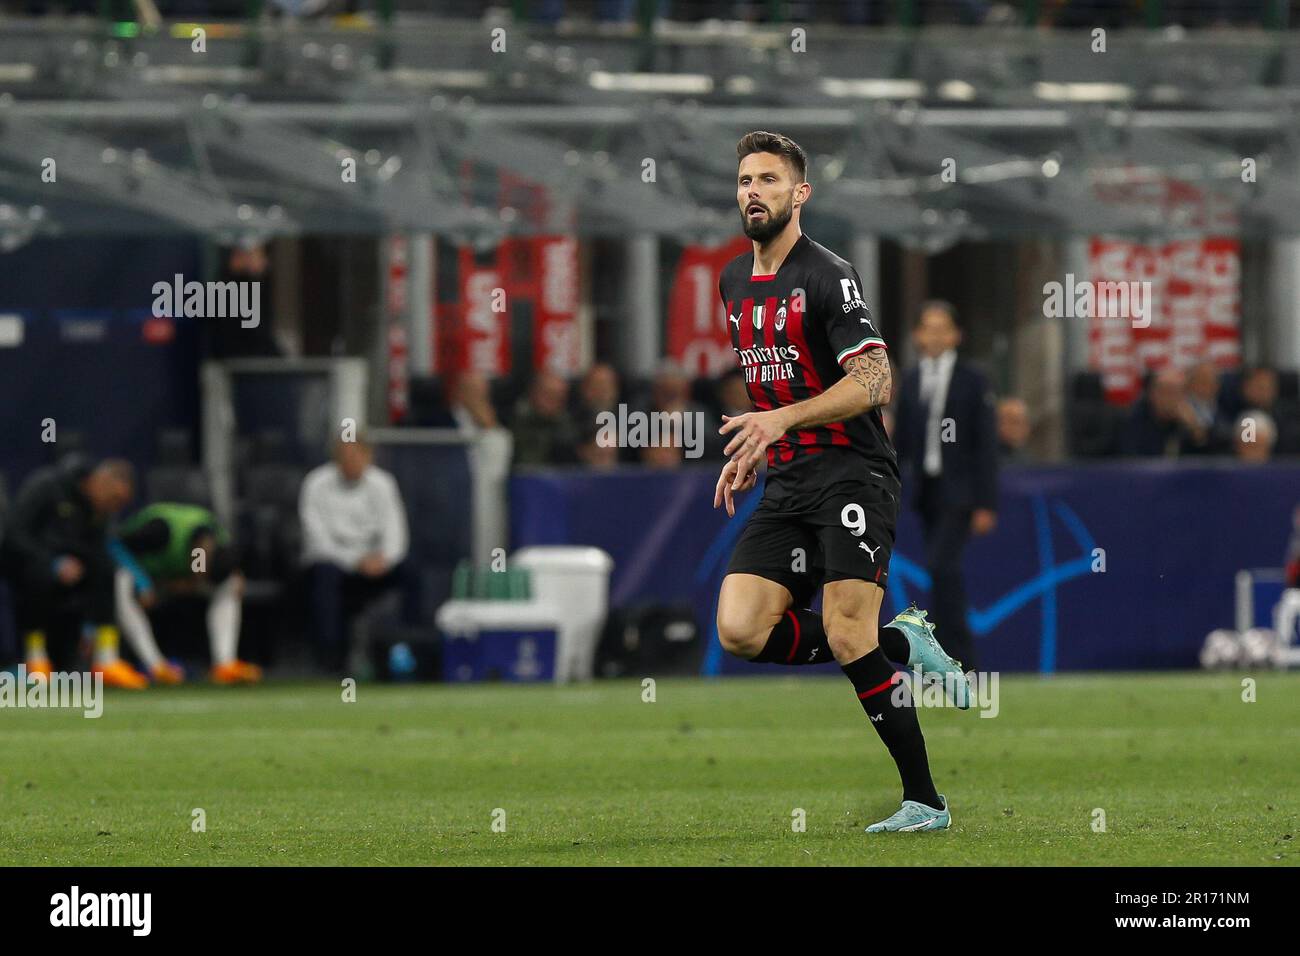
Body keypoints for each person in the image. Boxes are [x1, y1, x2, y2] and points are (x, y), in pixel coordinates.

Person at [712, 130, 972, 835]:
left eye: (768, 180)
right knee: (739, 628)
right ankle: (903, 644)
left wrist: (780, 421)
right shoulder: (734, 282)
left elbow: (875, 379)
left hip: (852, 475)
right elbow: (776, 390)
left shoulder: (829, 274)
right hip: (790, 478)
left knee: (846, 630)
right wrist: (761, 444)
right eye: (743, 180)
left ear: (799, 195)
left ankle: (926, 801)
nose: (752, 192)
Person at [892, 301, 999, 672]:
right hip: (927, 492)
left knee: (942, 568)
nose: (935, 336)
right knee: (941, 575)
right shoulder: (913, 379)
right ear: (917, 335)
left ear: (956, 335)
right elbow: (903, 441)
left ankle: (957, 657)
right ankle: (947, 659)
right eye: (928, 328)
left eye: (942, 328)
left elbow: (985, 444)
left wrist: (987, 502)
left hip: (960, 492)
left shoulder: (973, 380)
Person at [0, 457, 148, 688]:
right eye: (114, 500)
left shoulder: (98, 513)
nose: (113, 508)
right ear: (99, 482)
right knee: (37, 573)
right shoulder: (46, 486)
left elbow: (97, 553)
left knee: (109, 571)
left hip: (73, 578)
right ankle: (35, 657)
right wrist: (53, 563)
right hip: (30, 568)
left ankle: (106, 659)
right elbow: (14, 536)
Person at [109, 502, 262, 685]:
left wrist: (235, 574)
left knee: (232, 585)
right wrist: (143, 584)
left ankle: (225, 664)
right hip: (144, 577)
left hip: (175, 580)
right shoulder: (159, 532)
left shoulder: (218, 538)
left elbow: (220, 566)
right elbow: (114, 545)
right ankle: (156, 666)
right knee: (121, 580)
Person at [299, 437, 409, 674]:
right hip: (333, 563)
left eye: (357, 456)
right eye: (345, 457)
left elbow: (396, 534)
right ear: (336, 458)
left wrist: (384, 560)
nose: (351, 462)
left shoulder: (383, 483)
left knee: (410, 572)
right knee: (324, 577)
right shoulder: (316, 483)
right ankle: (331, 661)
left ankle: (400, 653)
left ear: (368, 456)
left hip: (375, 564)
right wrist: (355, 561)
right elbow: (317, 539)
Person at [510, 371, 580, 466]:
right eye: (549, 393)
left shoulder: (568, 423)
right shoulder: (513, 420)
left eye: (560, 397)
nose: (554, 400)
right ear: (533, 392)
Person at [996, 396, 1032, 461]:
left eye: (1015, 422)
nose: (1013, 429)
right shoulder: (987, 459)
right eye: (1013, 421)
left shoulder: (1028, 461)